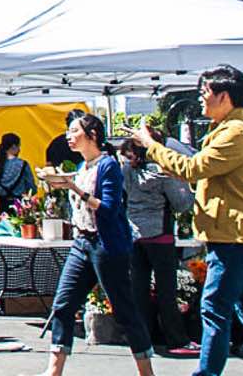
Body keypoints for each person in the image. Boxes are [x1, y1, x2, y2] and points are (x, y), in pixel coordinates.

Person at [127, 64, 243, 376]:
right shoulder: (233, 130)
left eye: (205, 93)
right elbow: (199, 172)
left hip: (234, 236)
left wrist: (152, 147)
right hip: (237, 235)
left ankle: (207, 373)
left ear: (224, 96)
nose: (200, 99)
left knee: (215, 308)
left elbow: (194, 168)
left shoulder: (236, 133)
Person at [30, 112, 155, 376]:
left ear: (92, 135)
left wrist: (73, 187)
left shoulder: (108, 165)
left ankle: (146, 371)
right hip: (82, 241)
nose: (69, 137)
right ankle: (54, 370)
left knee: (123, 309)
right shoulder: (82, 167)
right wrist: (62, 183)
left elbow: (109, 207)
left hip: (106, 245)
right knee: (63, 304)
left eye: (74, 131)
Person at [119, 137, 192, 351]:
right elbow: (181, 203)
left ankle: (142, 336)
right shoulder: (162, 172)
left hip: (134, 233)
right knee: (166, 289)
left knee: (138, 289)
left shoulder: (126, 171)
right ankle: (175, 337)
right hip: (160, 234)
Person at [0, 133, 36, 214]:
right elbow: (31, 188)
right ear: (14, 146)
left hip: (2, 205)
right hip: (19, 205)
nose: (19, 149)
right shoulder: (23, 165)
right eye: (19, 146)